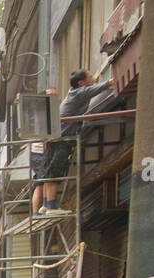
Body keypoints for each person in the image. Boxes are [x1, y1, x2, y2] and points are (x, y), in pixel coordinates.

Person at [37, 68, 110, 215]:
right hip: (62, 139)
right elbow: (102, 87)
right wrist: (111, 81)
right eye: (91, 77)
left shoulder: (74, 93)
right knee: (55, 171)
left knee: (49, 171)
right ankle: (51, 206)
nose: (94, 79)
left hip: (56, 137)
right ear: (82, 83)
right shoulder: (80, 93)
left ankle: (46, 204)